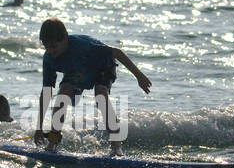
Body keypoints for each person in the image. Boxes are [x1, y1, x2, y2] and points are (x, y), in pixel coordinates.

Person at [34, 18, 151, 157]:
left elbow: (117, 53)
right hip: (77, 71)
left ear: (65, 39)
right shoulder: (48, 59)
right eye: (47, 47)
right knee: (63, 93)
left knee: (100, 95)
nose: (51, 51)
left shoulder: (83, 46)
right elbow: (46, 93)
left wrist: (139, 76)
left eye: (54, 46)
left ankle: (116, 145)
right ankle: (52, 142)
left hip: (102, 66)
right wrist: (39, 128)